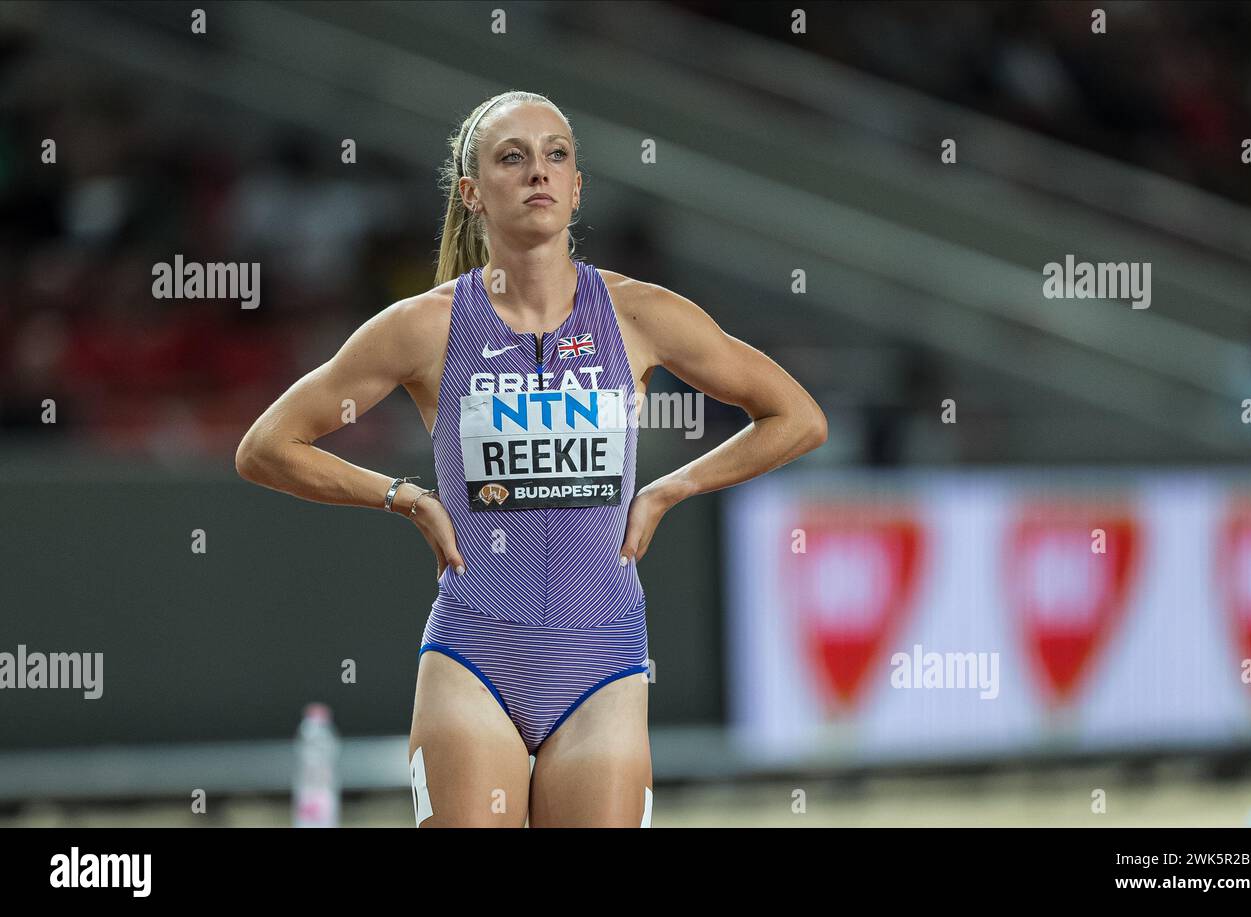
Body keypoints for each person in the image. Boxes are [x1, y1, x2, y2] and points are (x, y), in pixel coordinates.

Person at [235, 90, 828, 827]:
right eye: (512, 158)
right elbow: (266, 446)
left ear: (577, 186)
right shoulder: (425, 327)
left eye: (555, 155)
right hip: (474, 655)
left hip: (604, 660)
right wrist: (405, 495)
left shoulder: (640, 314)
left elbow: (797, 417)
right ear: (473, 193)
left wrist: (670, 489)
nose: (537, 172)